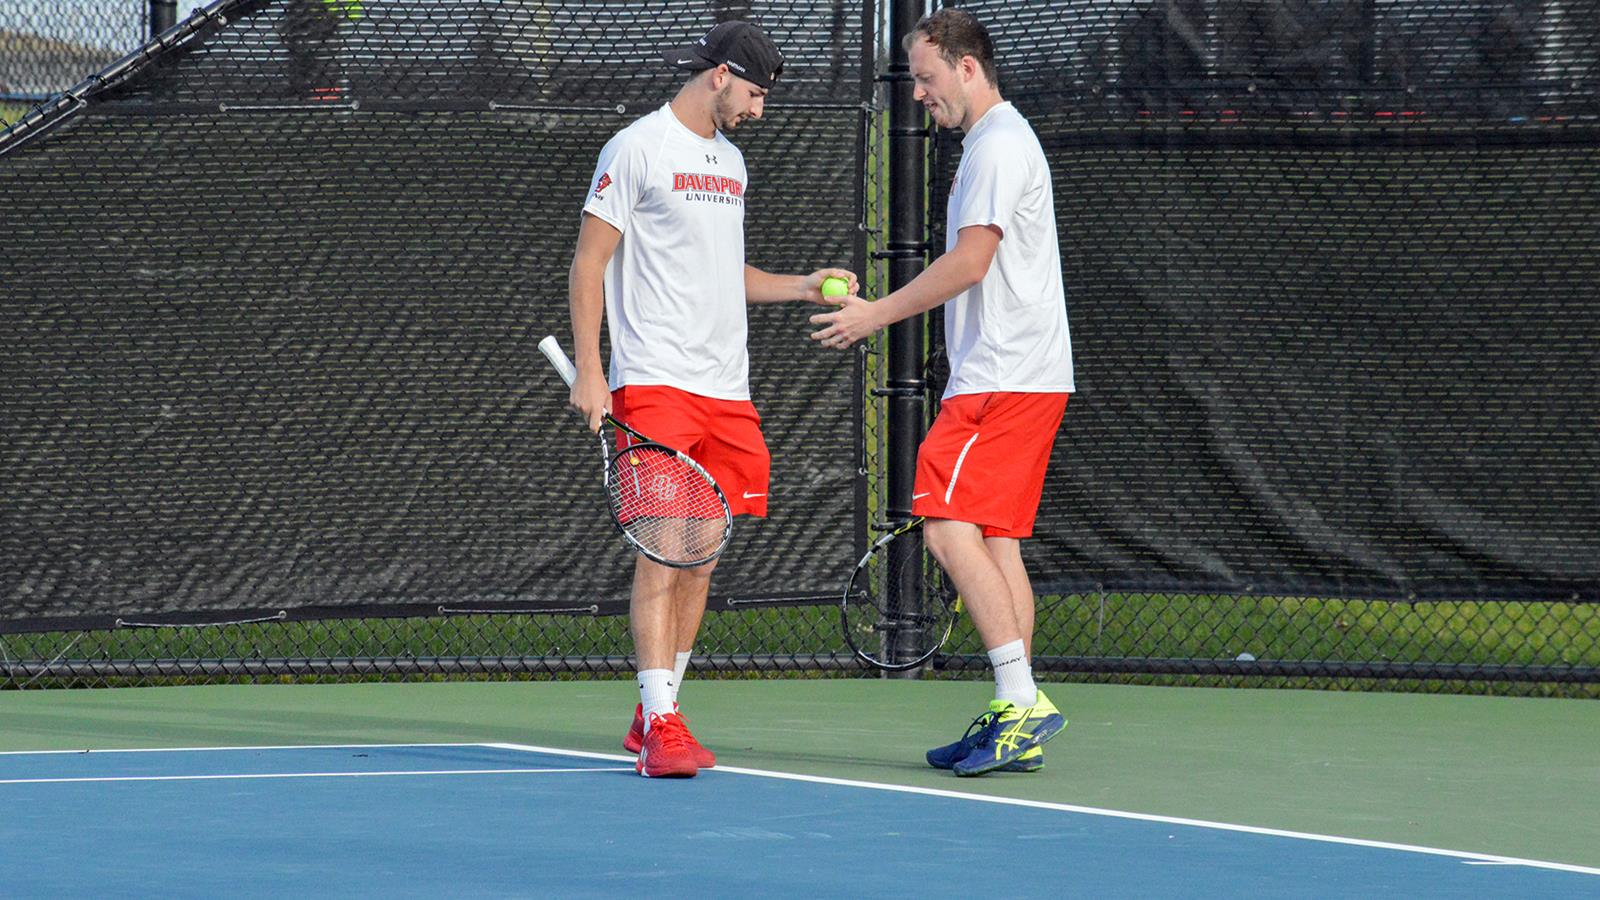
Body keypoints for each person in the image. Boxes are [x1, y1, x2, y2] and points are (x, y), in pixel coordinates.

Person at [568, 21, 857, 779]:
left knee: (702, 556)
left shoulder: (730, 163)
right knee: (663, 550)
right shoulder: (636, 148)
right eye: (756, 94)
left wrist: (800, 285)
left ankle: (656, 705)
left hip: (727, 390)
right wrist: (592, 371)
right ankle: (663, 723)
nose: (759, 112)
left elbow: (724, 271)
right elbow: (590, 263)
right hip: (655, 379)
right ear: (721, 76)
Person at [809, 9, 1073, 776]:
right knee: (997, 541)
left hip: (999, 379)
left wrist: (873, 315)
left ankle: (1022, 701)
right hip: (1028, 375)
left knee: (946, 528)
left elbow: (968, 264)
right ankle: (1011, 708)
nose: (917, 94)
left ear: (966, 66)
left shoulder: (996, 146)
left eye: (924, 78)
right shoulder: (1003, 141)